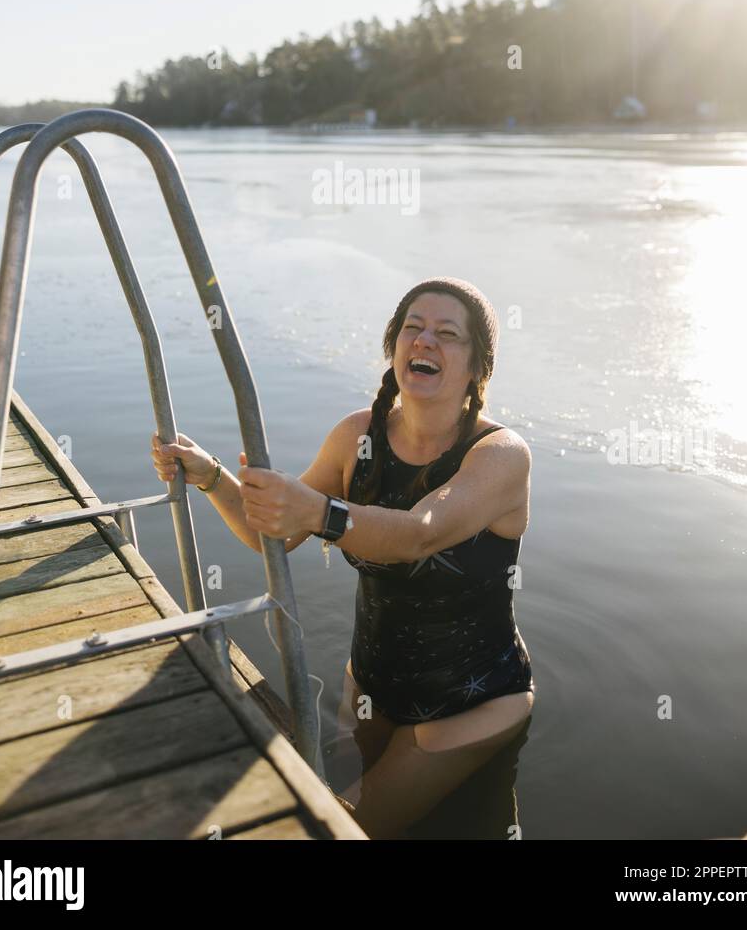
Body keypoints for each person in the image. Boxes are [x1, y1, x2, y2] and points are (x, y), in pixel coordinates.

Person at [150, 276, 535, 839]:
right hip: (371, 688)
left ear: (478, 367)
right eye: (413, 328)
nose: (425, 341)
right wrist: (210, 475)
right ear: (394, 347)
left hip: (471, 706)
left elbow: (420, 533)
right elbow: (273, 538)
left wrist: (320, 512)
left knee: (341, 828)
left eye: (447, 334)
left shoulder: (500, 455)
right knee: (324, 802)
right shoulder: (357, 436)